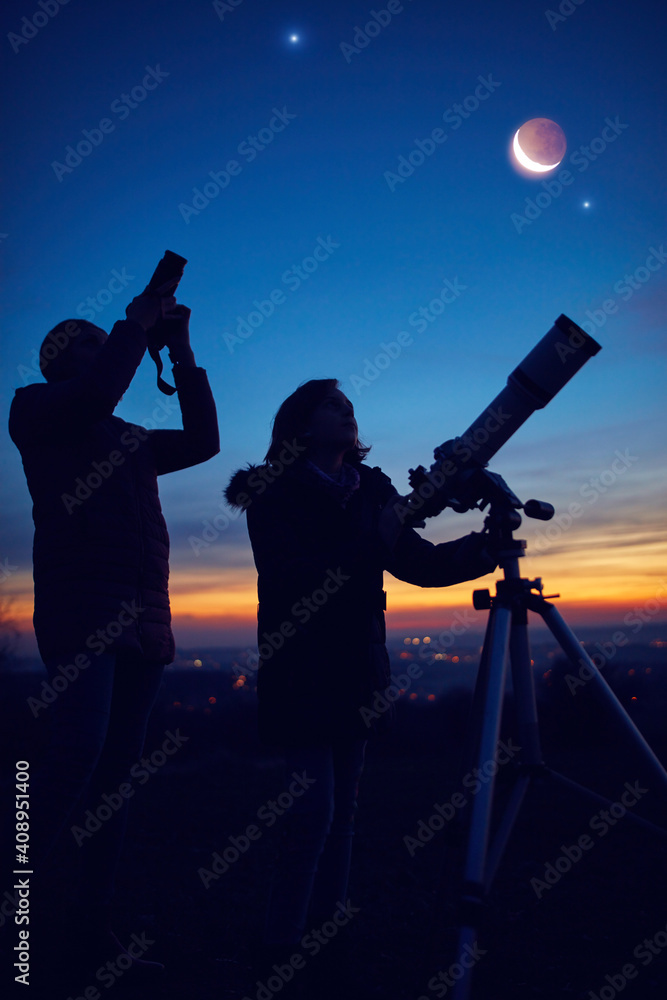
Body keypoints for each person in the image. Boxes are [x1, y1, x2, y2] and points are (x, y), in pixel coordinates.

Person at [224, 378, 496, 981]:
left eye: (349, 407)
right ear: (300, 422)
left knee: (344, 807)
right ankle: (281, 942)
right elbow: (289, 573)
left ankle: (327, 931)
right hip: (302, 663)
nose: (346, 413)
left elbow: (415, 562)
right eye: (332, 405)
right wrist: (364, 543)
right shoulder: (273, 492)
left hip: (358, 661)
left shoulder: (371, 488)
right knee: (312, 810)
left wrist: (482, 551)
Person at [7, 290, 219, 982]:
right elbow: (95, 394)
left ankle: (86, 937)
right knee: (74, 760)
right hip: (81, 611)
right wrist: (137, 324)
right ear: (59, 359)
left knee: (112, 783)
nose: (106, 346)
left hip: (141, 617)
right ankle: (16, 921)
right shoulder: (35, 410)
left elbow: (202, 441)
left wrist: (181, 353)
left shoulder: (127, 440)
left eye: (108, 338)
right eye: (90, 340)